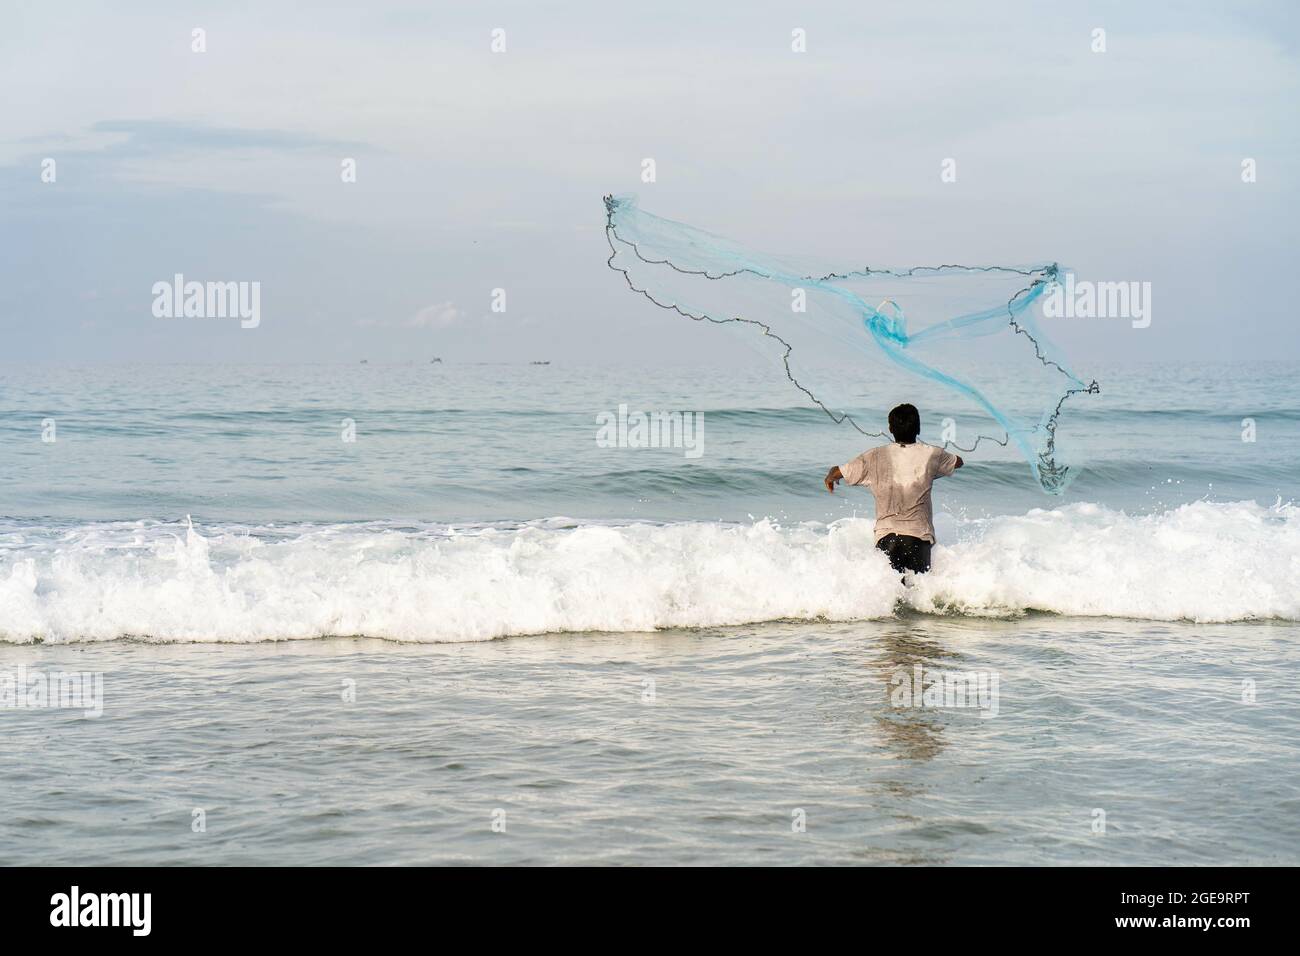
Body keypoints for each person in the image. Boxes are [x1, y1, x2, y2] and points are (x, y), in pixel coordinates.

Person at [823, 403, 962, 574]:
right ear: (918, 429)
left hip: (887, 539)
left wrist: (830, 477)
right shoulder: (933, 454)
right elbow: (958, 462)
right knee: (919, 597)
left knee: (890, 596)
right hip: (919, 539)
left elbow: (838, 471)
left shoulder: (873, 456)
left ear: (890, 429)